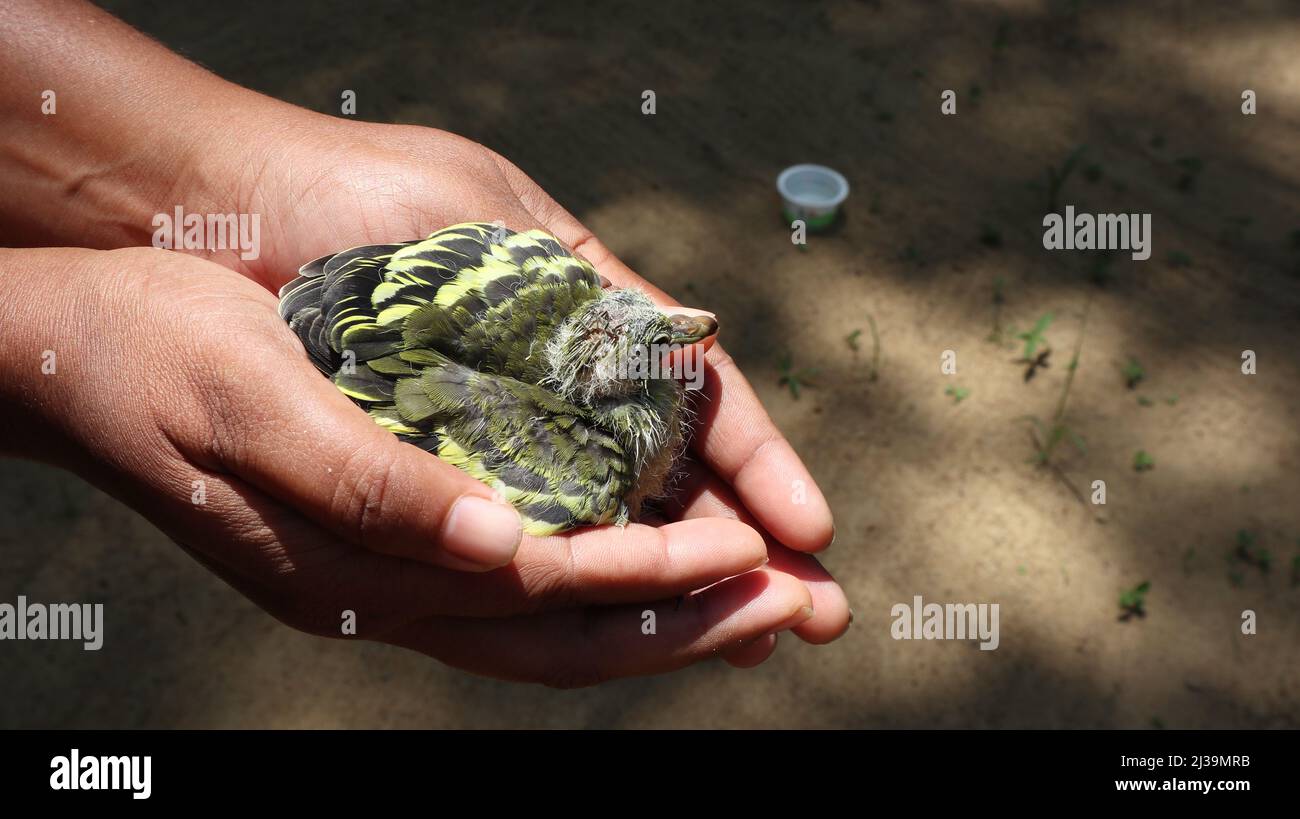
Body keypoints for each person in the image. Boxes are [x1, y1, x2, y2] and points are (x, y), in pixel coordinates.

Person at [0, 0, 849, 686]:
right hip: (368, 337)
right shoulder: (584, 459)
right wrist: (69, 339)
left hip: (358, 301)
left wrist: (240, 179)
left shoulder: (549, 277)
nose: (687, 344)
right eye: (651, 351)